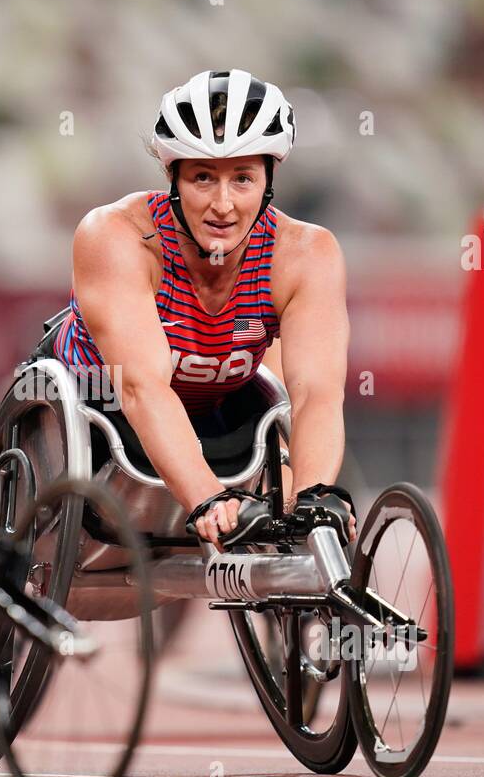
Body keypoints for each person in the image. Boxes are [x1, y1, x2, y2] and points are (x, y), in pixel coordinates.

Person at [54, 68, 355, 547]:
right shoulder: (116, 236)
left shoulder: (304, 254)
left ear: (268, 180)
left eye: (242, 179)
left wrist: (314, 493)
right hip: (97, 405)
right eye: (202, 177)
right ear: (172, 178)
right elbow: (140, 386)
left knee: (279, 425)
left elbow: (317, 393)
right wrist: (206, 499)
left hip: (213, 406)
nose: (223, 204)